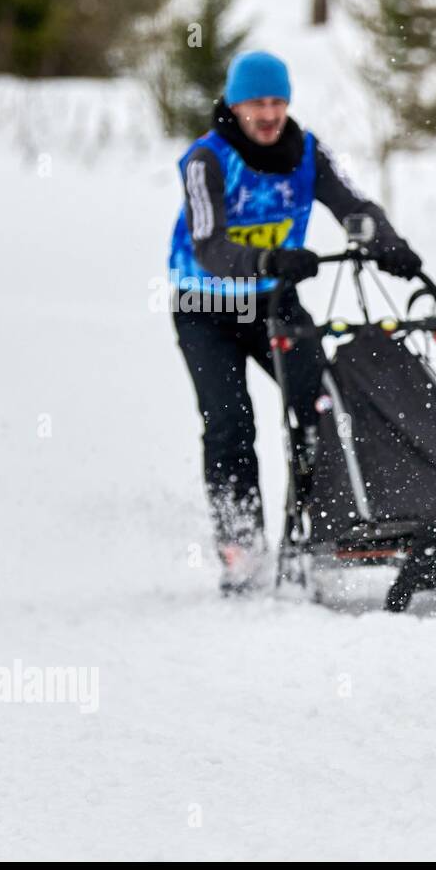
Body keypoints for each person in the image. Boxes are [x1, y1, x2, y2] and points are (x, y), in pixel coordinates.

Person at [169, 51, 421, 593]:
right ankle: (240, 545)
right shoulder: (205, 160)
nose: (269, 113)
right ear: (235, 105)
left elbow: (350, 206)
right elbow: (209, 244)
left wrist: (388, 245)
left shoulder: (306, 153)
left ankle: (318, 530)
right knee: (231, 422)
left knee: (316, 407)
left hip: (273, 303)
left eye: (278, 101)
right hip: (206, 306)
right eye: (257, 102)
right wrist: (264, 260)